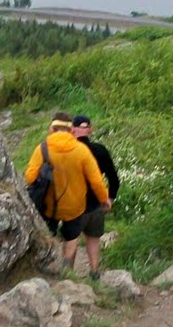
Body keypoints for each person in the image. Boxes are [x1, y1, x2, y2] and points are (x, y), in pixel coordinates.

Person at [24, 112, 110, 272]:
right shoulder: (82, 151)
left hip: (49, 206)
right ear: (71, 131)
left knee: (47, 233)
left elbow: (29, 178)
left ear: (51, 129)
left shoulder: (42, 149)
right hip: (74, 207)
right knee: (71, 236)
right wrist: (104, 199)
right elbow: (96, 181)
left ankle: (42, 266)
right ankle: (66, 269)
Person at [70, 114, 119, 281]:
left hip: (74, 204)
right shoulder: (100, 150)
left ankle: (69, 275)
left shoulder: (69, 150)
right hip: (97, 203)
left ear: (72, 130)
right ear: (90, 129)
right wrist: (110, 198)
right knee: (93, 238)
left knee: (71, 238)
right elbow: (113, 178)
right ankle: (94, 272)